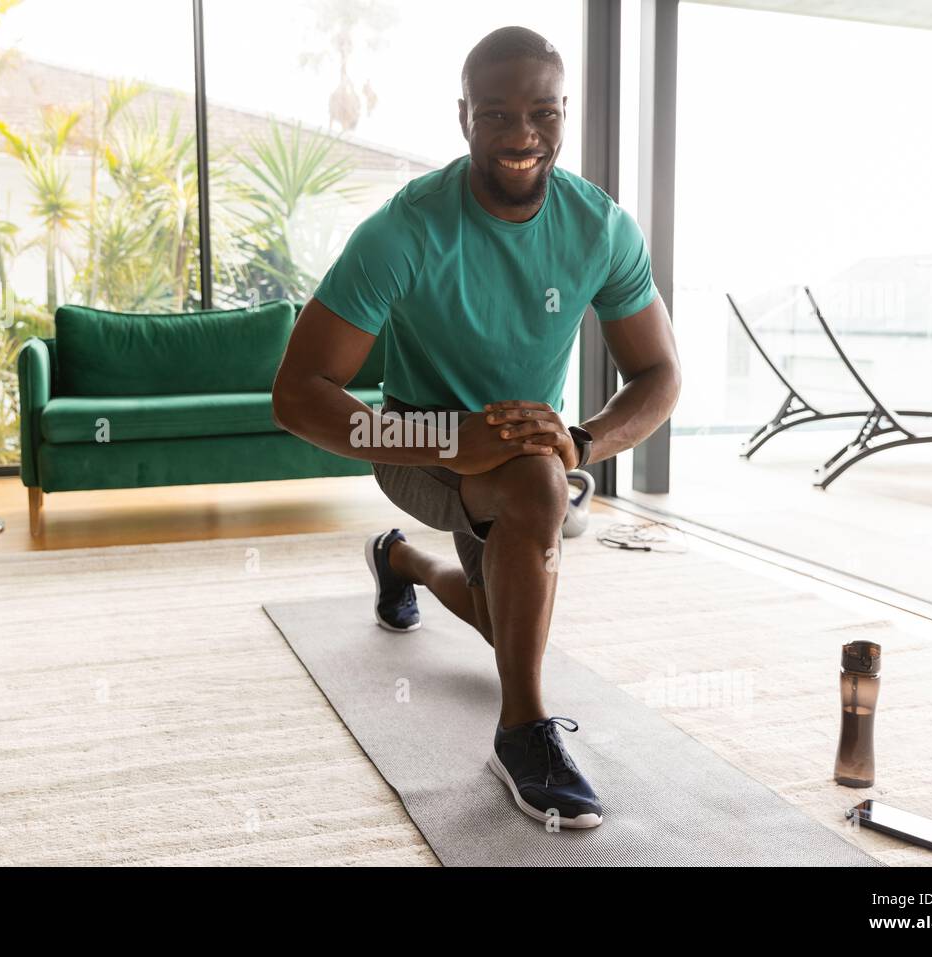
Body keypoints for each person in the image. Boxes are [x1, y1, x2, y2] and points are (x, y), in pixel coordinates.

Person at [272, 25, 681, 829]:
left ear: (565, 111)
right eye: (496, 114)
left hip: (523, 463)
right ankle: (521, 731)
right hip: (417, 445)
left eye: (542, 112)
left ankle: (404, 561)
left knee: (508, 615)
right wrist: (449, 441)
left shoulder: (600, 227)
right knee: (536, 488)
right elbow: (298, 393)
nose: (522, 135)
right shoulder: (406, 230)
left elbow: (660, 374)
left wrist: (585, 441)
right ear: (464, 117)